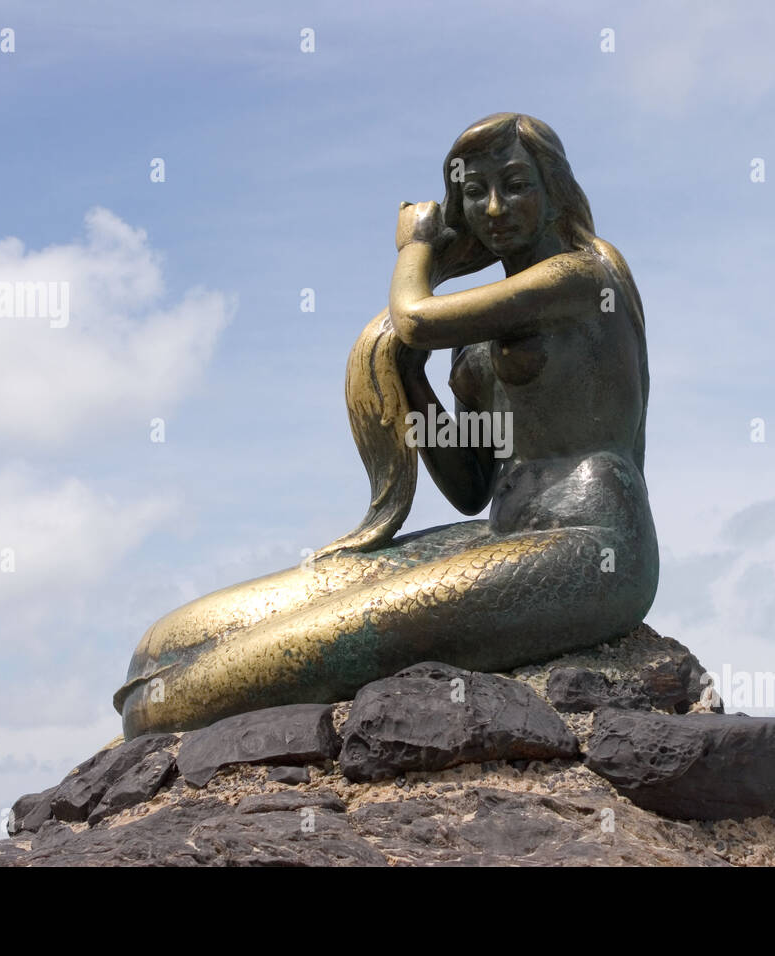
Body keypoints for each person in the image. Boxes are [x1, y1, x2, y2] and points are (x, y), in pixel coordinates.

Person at [114, 113, 659, 738]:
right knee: (161, 647)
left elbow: (416, 319)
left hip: (595, 542)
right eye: (475, 192)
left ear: (553, 187)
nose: (495, 207)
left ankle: (166, 720)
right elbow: (470, 483)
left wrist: (416, 247)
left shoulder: (585, 276)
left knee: (165, 703)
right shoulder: (475, 337)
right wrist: (416, 382)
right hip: (498, 530)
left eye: (515, 184)